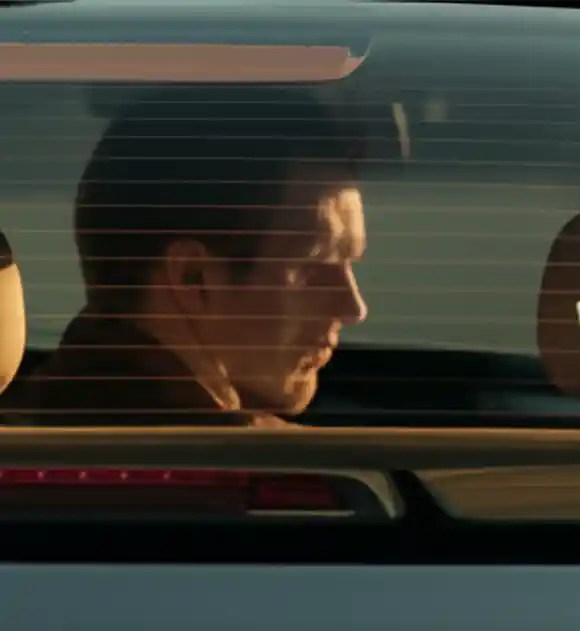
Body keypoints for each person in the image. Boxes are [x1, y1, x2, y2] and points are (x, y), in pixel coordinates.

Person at [5, 87, 368, 427]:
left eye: (348, 265)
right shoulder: (272, 479)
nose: (352, 307)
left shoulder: (32, 439)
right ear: (194, 277)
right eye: (312, 266)